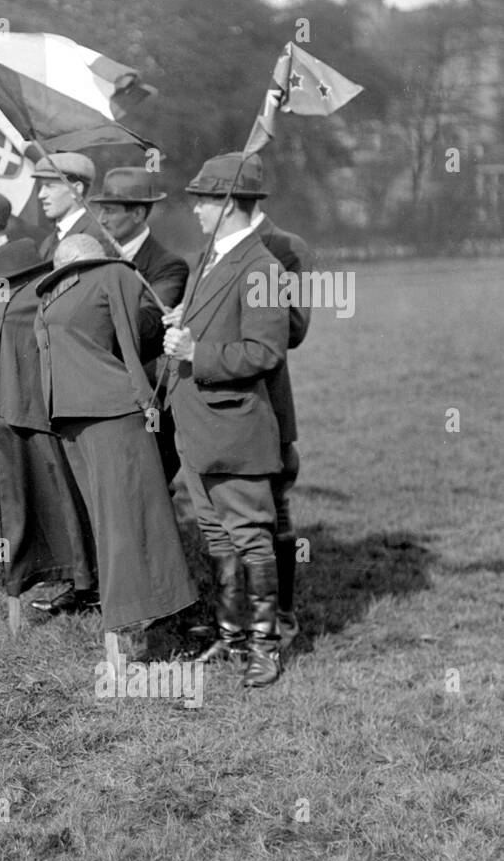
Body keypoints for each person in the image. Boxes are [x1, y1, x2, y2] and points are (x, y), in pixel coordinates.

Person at [162, 153, 290, 687]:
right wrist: (183, 325)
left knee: (252, 537)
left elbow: (265, 352)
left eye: (205, 199)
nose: (194, 208)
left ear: (232, 204)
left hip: (235, 427)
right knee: (217, 536)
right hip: (197, 424)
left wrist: (198, 352)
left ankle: (265, 645)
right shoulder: (207, 259)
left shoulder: (263, 268)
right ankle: (230, 634)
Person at [34, 234, 195, 647]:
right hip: (75, 417)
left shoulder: (111, 275)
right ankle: (138, 615)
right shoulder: (56, 291)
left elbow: (128, 338)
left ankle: (150, 616)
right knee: (111, 521)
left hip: (113, 413)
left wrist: (146, 400)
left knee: (130, 520)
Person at [0, 238, 96, 610]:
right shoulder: (42, 296)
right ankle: (87, 581)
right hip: (44, 414)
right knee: (69, 501)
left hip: (0, 416)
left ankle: (48, 581)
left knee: (18, 507)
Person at [91, 166, 190, 481]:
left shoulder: (167, 266)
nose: (102, 219)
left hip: (144, 396)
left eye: (110, 210)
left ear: (137, 214)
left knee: (151, 482)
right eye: (100, 210)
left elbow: (147, 326)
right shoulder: (92, 255)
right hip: (98, 389)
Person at [251, 190, 313, 650]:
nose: (196, 209)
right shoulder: (209, 250)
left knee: (274, 507)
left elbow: (294, 327)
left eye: (209, 198)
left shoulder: (285, 247)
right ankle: (237, 617)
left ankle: (283, 616)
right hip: (211, 402)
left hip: (266, 400)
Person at [32, 152, 97, 258]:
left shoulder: (94, 235)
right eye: (41, 187)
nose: (41, 195)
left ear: (75, 189)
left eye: (49, 186)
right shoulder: (49, 241)